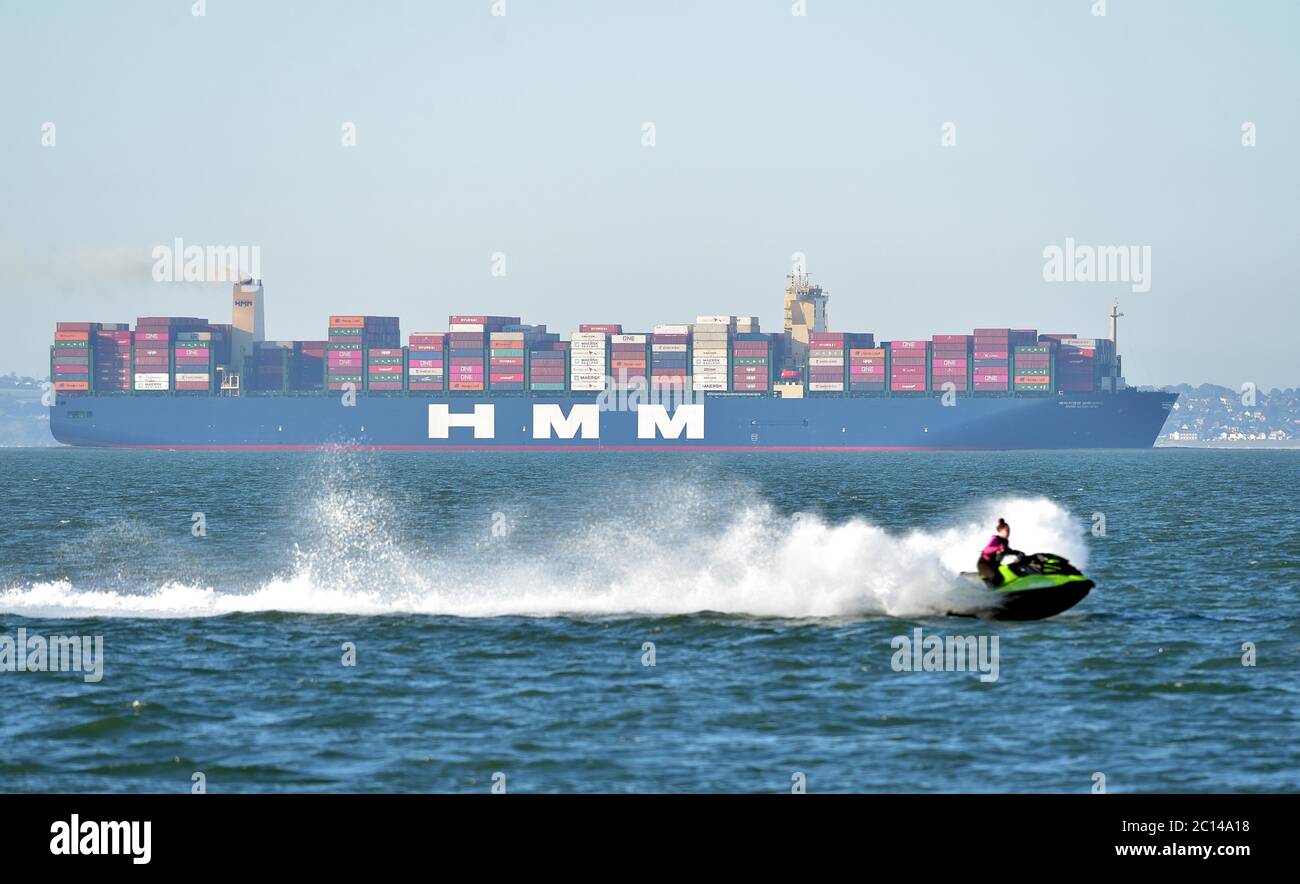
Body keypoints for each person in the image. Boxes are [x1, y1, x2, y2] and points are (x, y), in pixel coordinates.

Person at [977, 518, 1023, 587]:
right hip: (984, 563)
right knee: (997, 578)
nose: (1008, 532)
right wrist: (998, 548)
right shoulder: (995, 538)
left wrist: (1018, 553)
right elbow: (986, 550)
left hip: (994, 565)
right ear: (1000, 530)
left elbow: (1008, 550)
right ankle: (990, 593)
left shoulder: (1005, 542)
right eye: (1007, 530)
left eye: (1009, 531)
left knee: (1009, 574)